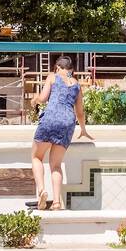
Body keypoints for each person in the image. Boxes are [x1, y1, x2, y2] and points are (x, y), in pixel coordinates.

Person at [30, 55, 92, 211]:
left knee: (37, 157)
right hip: (67, 123)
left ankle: (42, 190)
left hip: (50, 119)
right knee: (56, 165)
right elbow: (80, 112)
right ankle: (56, 202)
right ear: (72, 70)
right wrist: (83, 129)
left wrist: (34, 100)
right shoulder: (77, 85)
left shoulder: (53, 76)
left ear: (58, 67)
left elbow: (43, 98)